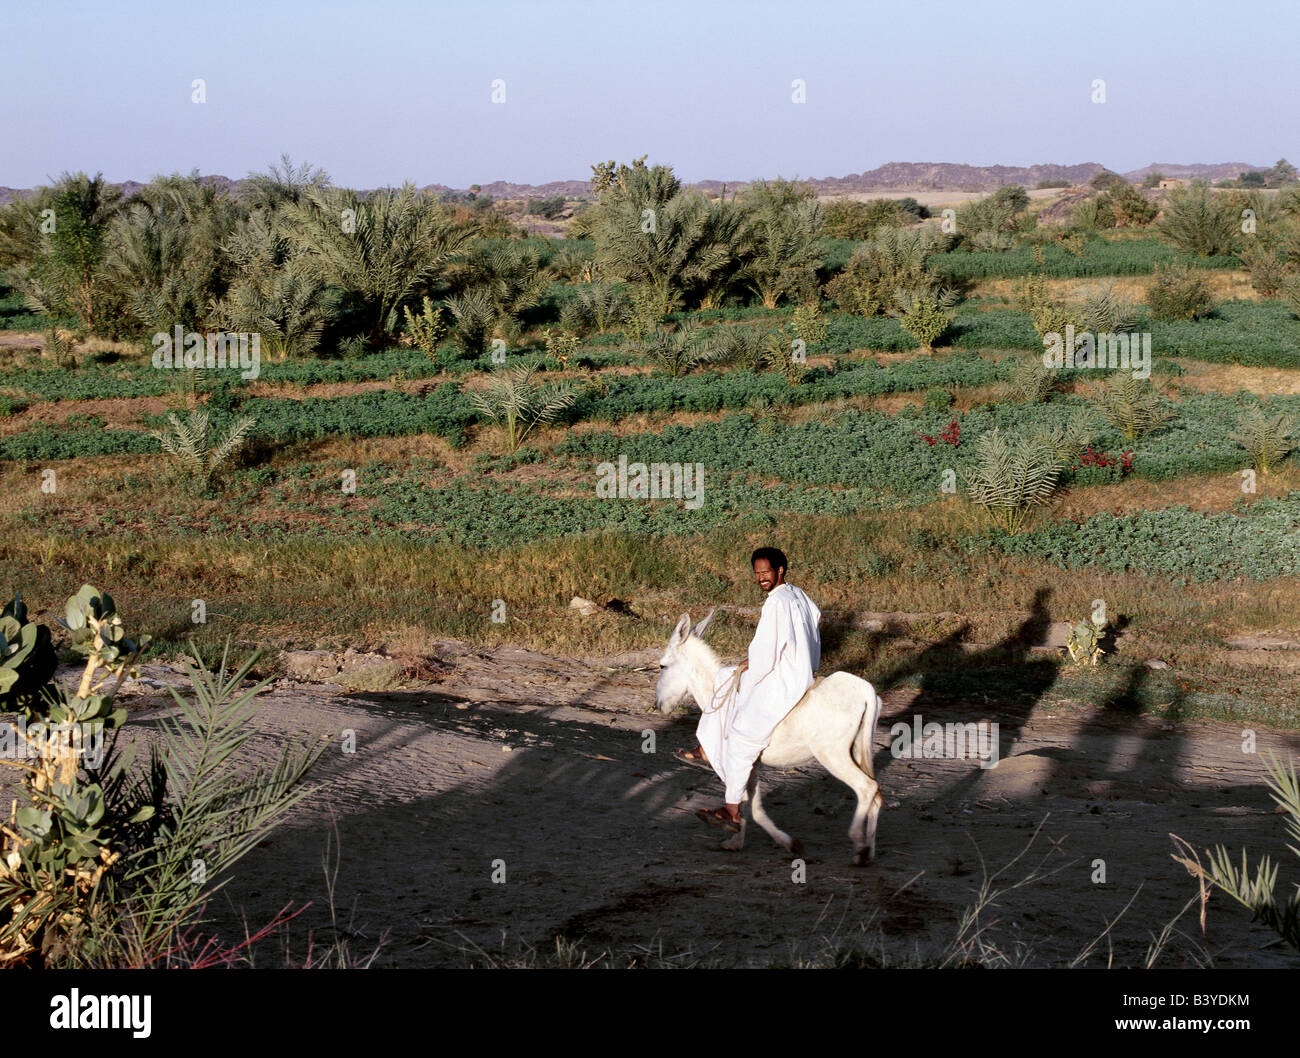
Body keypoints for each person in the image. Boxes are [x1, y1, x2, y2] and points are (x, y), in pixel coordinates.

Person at [678, 547, 821, 831]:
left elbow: (766, 653)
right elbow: (814, 624)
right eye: (756, 574)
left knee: (741, 734)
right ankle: (706, 745)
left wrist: (751, 671)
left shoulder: (776, 603)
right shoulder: (800, 595)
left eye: (765, 572)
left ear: (780, 570)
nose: (760, 579)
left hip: (783, 675)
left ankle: (731, 809)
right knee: (724, 676)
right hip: (799, 667)